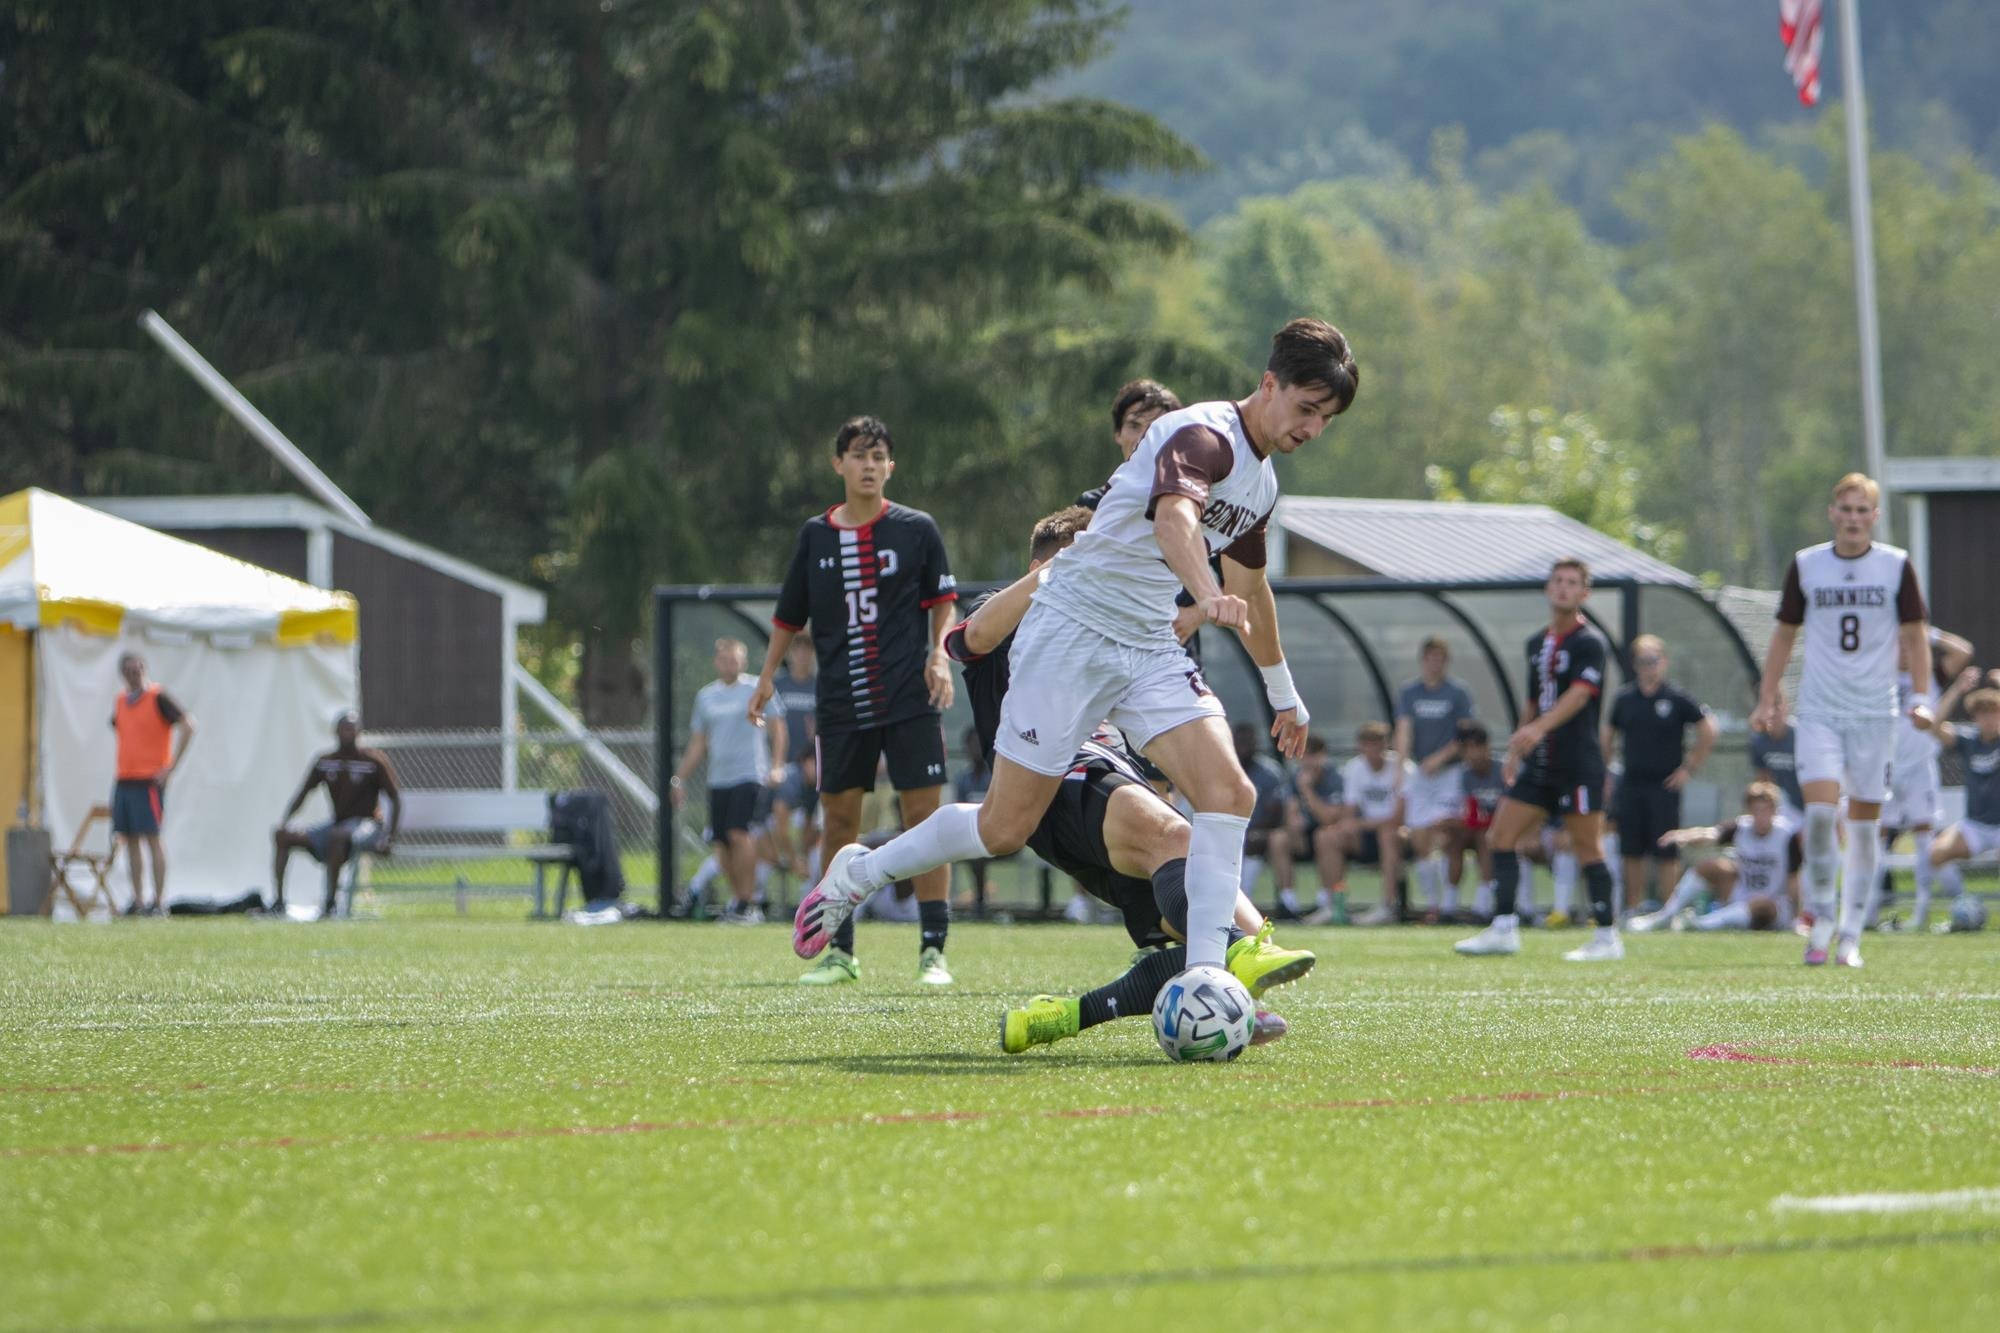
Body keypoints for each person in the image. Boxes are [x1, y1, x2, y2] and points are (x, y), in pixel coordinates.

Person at [795, 319, 1359, 978]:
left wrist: (1283, 693)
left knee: (1229, 792)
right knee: (1003, 828)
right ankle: (858, 872)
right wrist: (1205, 591)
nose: (1313, 427)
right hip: (1072, 630)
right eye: (1307, 408)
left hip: (1146, 644)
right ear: (1269, 384)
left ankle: (1209, 977)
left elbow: (1254, 589)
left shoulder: (1261, 486)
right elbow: (1176, 522)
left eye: (1327, 418)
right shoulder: (1203, 434)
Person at [924, 505, 1313, 1053]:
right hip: (1065, 780)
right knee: (1185, 848)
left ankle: (1074, 1015)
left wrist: (1205, 616)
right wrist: (1059, 572)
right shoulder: (1014, 612)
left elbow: (1232, 591)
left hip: (1116, 777)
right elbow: (969, 640)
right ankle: (1240, 956)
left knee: (1190, 921)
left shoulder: (1124, 603)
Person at [750, 415, 959, 983]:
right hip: (841, 702)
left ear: (891, 467)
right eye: (858, 455)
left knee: (926, 819)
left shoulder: (917, 530)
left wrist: (939, 655)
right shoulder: (815, 536)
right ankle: (840, 952)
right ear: (837, 463)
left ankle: (932, 951)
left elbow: (944, 603)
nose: (869, 465)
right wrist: (767, 676)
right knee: (838, 820)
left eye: (879, 456)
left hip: (910, 699)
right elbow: (789, 615)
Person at [1751, 473, 1932, 968]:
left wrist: (1920, 695)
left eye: (1862, 510)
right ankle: (1821, 919)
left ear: (1875, 516)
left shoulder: (1895, 566)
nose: (1853, 518)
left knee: (1866, 827)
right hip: (1821, 710)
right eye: (1845, 509)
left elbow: (1916, 638)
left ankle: (1851, 931)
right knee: (1818, 815)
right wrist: (1769, 698)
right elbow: (1783, 636)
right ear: (1832, 513)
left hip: (1875, 712)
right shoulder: (1808, 565)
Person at [1456, 558, 1619, 960]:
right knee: (1500, 838)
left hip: (1578, 764)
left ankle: (1607, 938)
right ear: (1548, 589)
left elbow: (1580, 695)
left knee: (1587, 849)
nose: (1563, 588)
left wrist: (1539, 729)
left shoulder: (1590, 643)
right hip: (1541, 764)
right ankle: (1503, 928)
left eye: (1572, 583)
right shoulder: (1536, 644)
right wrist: (1516, 750)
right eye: (1558, 581)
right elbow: (1532, 703)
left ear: (1585, 593)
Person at [673, 638, 786, 925]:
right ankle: (739, 902)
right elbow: (699, 743)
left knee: (739, 833)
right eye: (725, 659)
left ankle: (750, 902)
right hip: (718, 780)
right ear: (716, 662)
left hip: (749, 775)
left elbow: (777, 727)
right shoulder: (706, 696)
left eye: (735, 660)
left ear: (743, 662)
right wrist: (679, 779)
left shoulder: (755, 689)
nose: (730, 665)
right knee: (722, 845)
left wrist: (776, 766)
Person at [1602, 635, 1716, 913]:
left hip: (1664, 785)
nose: (1648, 667)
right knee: (1632, 849)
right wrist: (1608, 770)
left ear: (1663, 662)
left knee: (1666, 848)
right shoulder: (1625, 698)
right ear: (1635, 664)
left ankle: (1668, 910)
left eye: (1653, 660)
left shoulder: (1675, 698)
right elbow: (1607, 735)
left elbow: (1708, 728)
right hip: (1631, 783)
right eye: (1642, 661)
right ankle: (1633, 908)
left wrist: (1688, 768)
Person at [1876, 630, 1974, 928]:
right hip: (1886, 769)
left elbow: (1963, 649)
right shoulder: (1879, 676)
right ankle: (1868, 910)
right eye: (1899, 645)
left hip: (1920, 769)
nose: (1905, 651)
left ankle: (1921, 911)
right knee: (1876, 840)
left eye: (1910, 645)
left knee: (1924, 841)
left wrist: (1923, 632)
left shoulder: (1931, 675)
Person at [272, 710, 402, 919]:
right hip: (337, 825)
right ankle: (278, 904)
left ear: (359, 732)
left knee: (338, 835)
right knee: (283, 835)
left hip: (368, 825)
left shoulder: (373, 761)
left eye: (351, 729)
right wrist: (285, 820)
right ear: (335, 732)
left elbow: (395, 798)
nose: (347, 734)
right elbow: (303, 793)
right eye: (343, 729)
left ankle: (330, 905)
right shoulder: (326, 761)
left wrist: (390, 837)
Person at [1629, 783, 1800, 932]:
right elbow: (1710, 834)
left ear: (1775, 811)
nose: (1761, 816)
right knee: (1710, 866)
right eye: (1757, 810)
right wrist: (1685, 836)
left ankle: (1700, 924)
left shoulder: (1788, 836)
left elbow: (1794, 879)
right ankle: (1666, 917)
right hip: (1742, 896)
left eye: (1766, 810)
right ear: (1749, 810)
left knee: (1761, 903)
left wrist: (1795, 917)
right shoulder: (1741, 827)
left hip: (1774, 906)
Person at [1394, 638, 1476, 922]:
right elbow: (1404, 729)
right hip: (1420, 773)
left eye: (1440, 657)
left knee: (1445, 833)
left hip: (1448, 773)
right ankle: (1432, 904)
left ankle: (1450, 904)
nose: (1434, 662)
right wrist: (1401, 768)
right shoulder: (1409, 692)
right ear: (1423, 659)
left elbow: (1464, 734)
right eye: (1430, 657)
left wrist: (1439, 758)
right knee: (1418, 838)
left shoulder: (1458, 693)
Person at [109, 652, 195, 915]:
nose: (134, 675)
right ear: (123, 674)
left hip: (148, 782)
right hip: (125, 779)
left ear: (144, 670)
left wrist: (170, 768)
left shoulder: (159, 697)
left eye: (137, 669)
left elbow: (188, 725)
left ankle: (159, 901)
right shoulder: (121, 701)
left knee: (153, 839)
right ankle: (138, 900)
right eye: (128, 671)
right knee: (130, 839)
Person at [1924, 678, 2000, 928]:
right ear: (1975, 717)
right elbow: (1933, 726)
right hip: (1976, 825)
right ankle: (1963, 905)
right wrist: (1957, 689)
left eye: (1994, 713)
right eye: (1983, 714)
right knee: (1935, 853)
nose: (1989, 720)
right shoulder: (1970, 742)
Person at [1335, 722, 1410, 925]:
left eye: (1378, 744)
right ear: (1361, 746)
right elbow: (1349, 813)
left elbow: (1398, 819)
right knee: (1327, 837)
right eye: (1368, 745)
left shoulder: (1403, 769)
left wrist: (1362, 824)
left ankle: (1388, 906)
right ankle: (1333, 905)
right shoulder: (1354, 768)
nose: (1373, 751)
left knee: (1388, 834)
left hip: (1402, 834)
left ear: (1387, 745)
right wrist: (1354, 825)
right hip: (1368, 833)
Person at [1078, 379, 1184, 508]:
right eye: (1134, 426)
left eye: (1155, 428)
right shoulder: (1092, 505)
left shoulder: (1195, 502)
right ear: (1118, 433)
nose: (1143, 438)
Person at [768, 636, 821, 879]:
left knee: (813, 825)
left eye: (807, 650)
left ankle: (806, 873)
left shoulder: (820, 686)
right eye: (797, 650)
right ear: (789, 654)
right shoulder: (777, 686)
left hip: (815, 769)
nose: (802, 656)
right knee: (778, 816)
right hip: (783, 768)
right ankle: (792, 862)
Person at [1234, 720, 1298, 904]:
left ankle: (1287, 903)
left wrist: (1253, 831)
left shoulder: (1269, 772)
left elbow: (1276, 812)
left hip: (1263, 831)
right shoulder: (1225, 771)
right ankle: (1232, 903)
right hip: (1232, 828)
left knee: (1269, 840)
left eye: (1249, 742)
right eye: (1240, 742)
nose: (1244, 747)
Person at [1287, 734, 1347, 924]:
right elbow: (1291, 812)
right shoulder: (1295, 775)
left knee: (1324, 836)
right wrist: (1293, 825)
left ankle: (1329, 903)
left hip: (1334, 834)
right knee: (1278, 840)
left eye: (1312, 755)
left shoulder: (1334, 777)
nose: (1307, 761)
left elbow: (1328, 818)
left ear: (1323, 755)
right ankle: (1288, 904)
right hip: (1306, 834)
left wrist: (1307, 790)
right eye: (1303, 755)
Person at [1455, 723, 1505, 917]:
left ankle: (1484, 902)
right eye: (1466, 749)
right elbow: (1472, 814)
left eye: (1475, 747)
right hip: (1483, 829)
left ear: (1487, 747)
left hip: (1507, 829)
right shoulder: (1466, 776)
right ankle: (1448, 905)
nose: (1472, 754)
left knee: (1485, 836)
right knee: (1453, 839)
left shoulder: (1504, 771)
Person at [1750, 719, 1806, 827]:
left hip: (1807, 803)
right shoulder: (1758, 740)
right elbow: (1763, 779)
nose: (1773, 713)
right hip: (1783, 805)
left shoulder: (1801, 735)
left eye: (1777, 706)